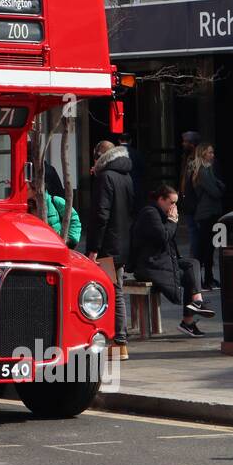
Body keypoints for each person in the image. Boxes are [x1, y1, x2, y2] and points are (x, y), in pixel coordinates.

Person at [129, 184, 215, 337]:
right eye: (171, 202)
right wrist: (172, 222)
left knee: (193, 264)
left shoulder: (160, 213)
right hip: (150, 265)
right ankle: (188, 321)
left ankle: (197, 301)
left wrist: (170, 222)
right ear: (161, 199)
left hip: (163, 261)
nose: (174, 206)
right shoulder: (150, 213)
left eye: (176, 203)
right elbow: (163, 237)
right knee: (189, 276)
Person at [87, 140, 136, 357]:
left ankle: (119, 341)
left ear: (99, 157)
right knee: (116, 289)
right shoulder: (125, 175)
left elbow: (101, 214)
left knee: (113, 292)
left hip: (108, 245)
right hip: (122, 241)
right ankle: (118, 340)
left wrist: (93, 248)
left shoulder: (106, 177)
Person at [190, 142, 226, 290]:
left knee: (210, 247)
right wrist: (219, 186)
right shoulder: (203, 172)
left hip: (211, 212)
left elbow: (220, 187)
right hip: (206, 213)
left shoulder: (208, 170)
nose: (213, 155)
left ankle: (208, 278)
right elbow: (216, 191)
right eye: (210, 152)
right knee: (205, 247)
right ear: (203, 153)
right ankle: (204, 280)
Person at [179, 130, 201, 263]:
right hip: (188, 201)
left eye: (186, 142)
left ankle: (196, 258)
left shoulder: (196, 159)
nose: (183, 144)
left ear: (192, 144)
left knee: (195, 232)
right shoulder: (187, 158)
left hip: (195, 202)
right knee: (192, 230)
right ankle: (195, 258)